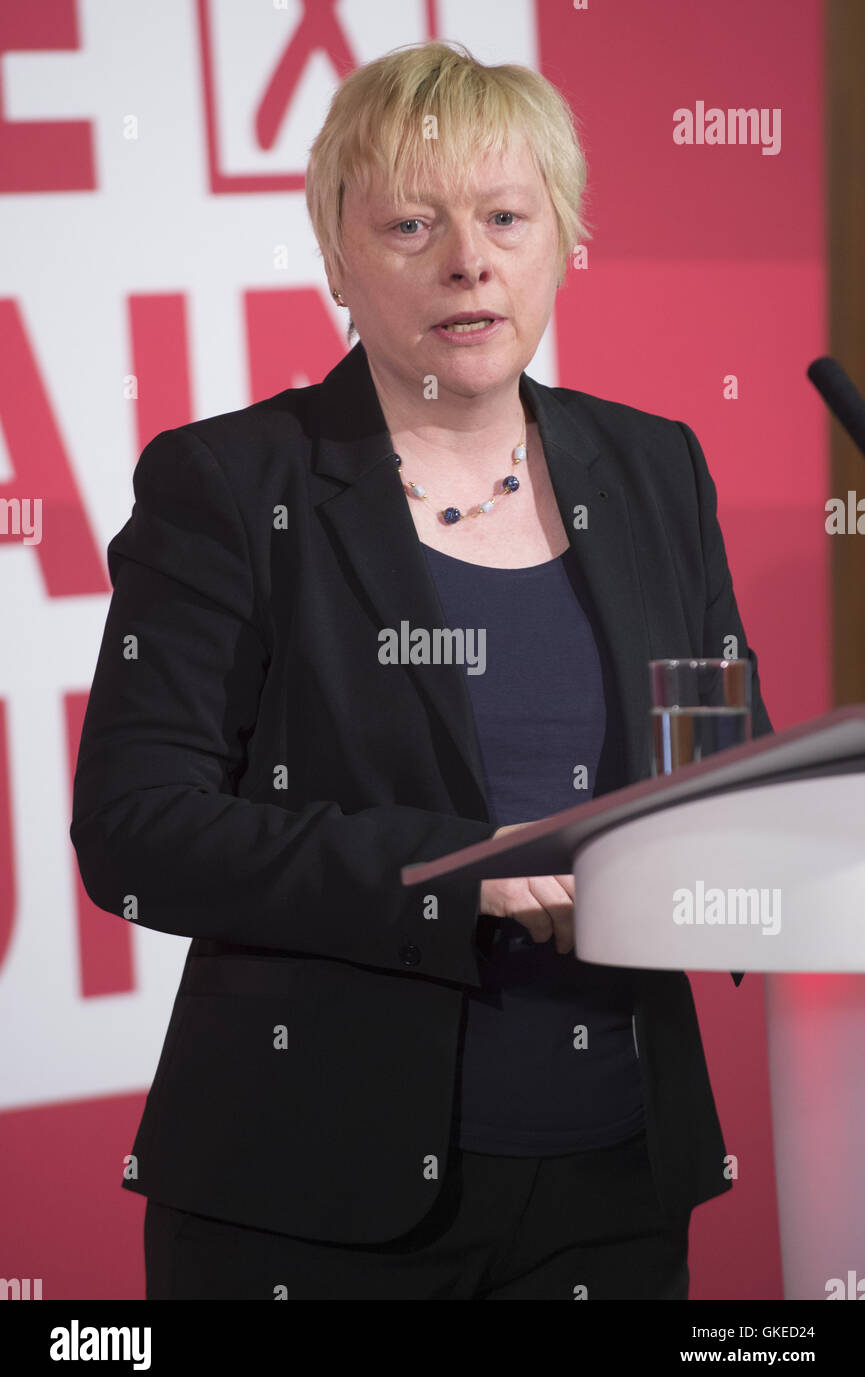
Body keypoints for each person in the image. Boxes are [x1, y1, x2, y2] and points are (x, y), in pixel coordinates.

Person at [70, 39, 772, 1300]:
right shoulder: (229, 485)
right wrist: (466, 876)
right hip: (310, 1205)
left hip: (615, 1185)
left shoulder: (656, 466)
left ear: (564, 238)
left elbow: (711, 765)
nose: (468, 258)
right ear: (337, 262)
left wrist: (764, 841)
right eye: (410, 222)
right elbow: (136, 832)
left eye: (507, 215)